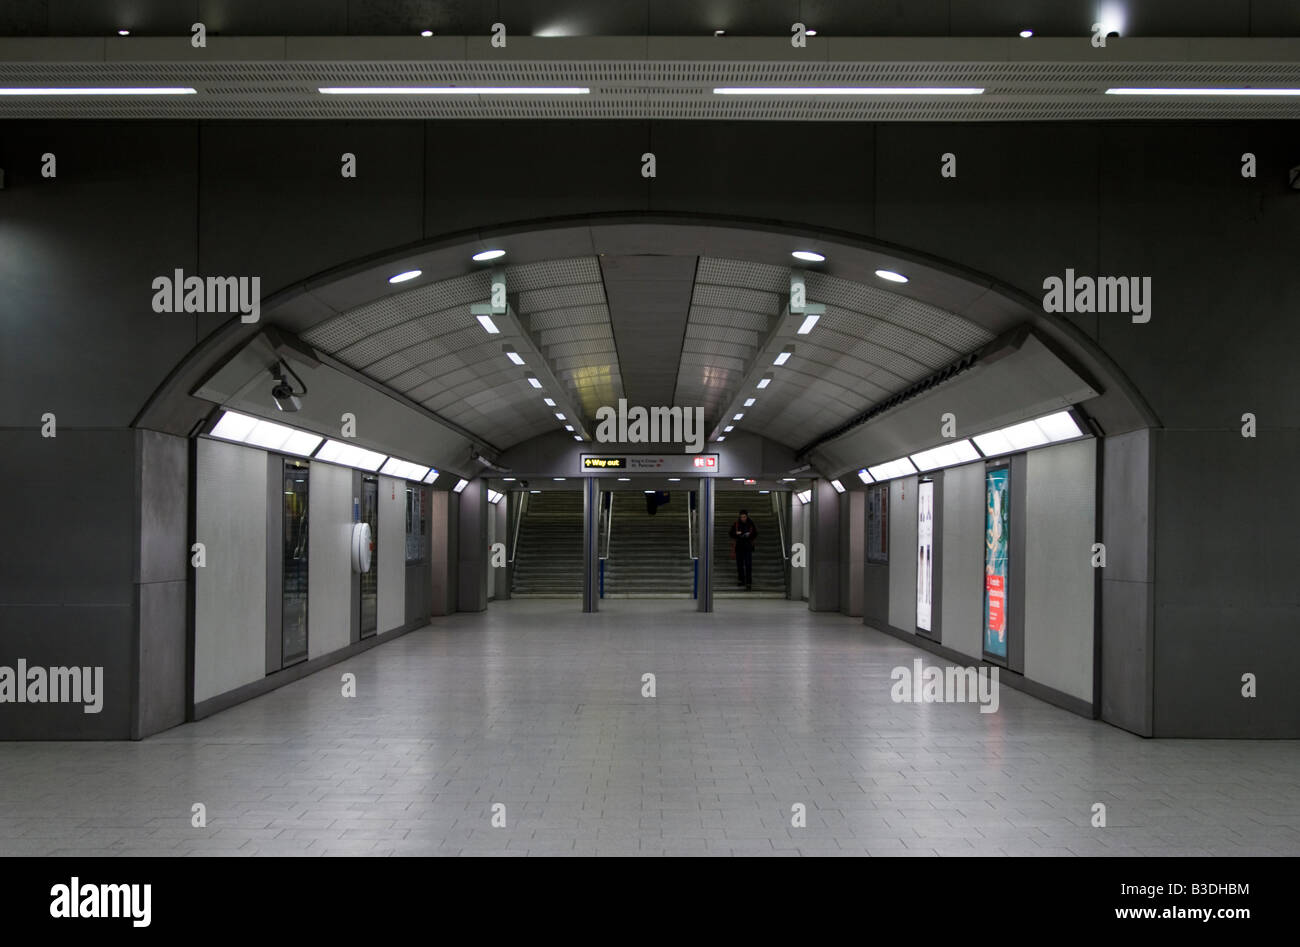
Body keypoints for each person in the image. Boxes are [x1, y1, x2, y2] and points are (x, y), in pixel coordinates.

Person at [729, 510, 758, 590]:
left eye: (744, 517)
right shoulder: (736, 524)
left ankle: (748, 583)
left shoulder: (751, 523)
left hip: (748, 547)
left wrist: (749, 535)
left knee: (748, 565)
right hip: (739, 547)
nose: (743, 518)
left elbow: (755, 534)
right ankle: (741, 580)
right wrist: (736, 534)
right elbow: (731, 533)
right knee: (740, 565)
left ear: (747, 516)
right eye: (741, 517)